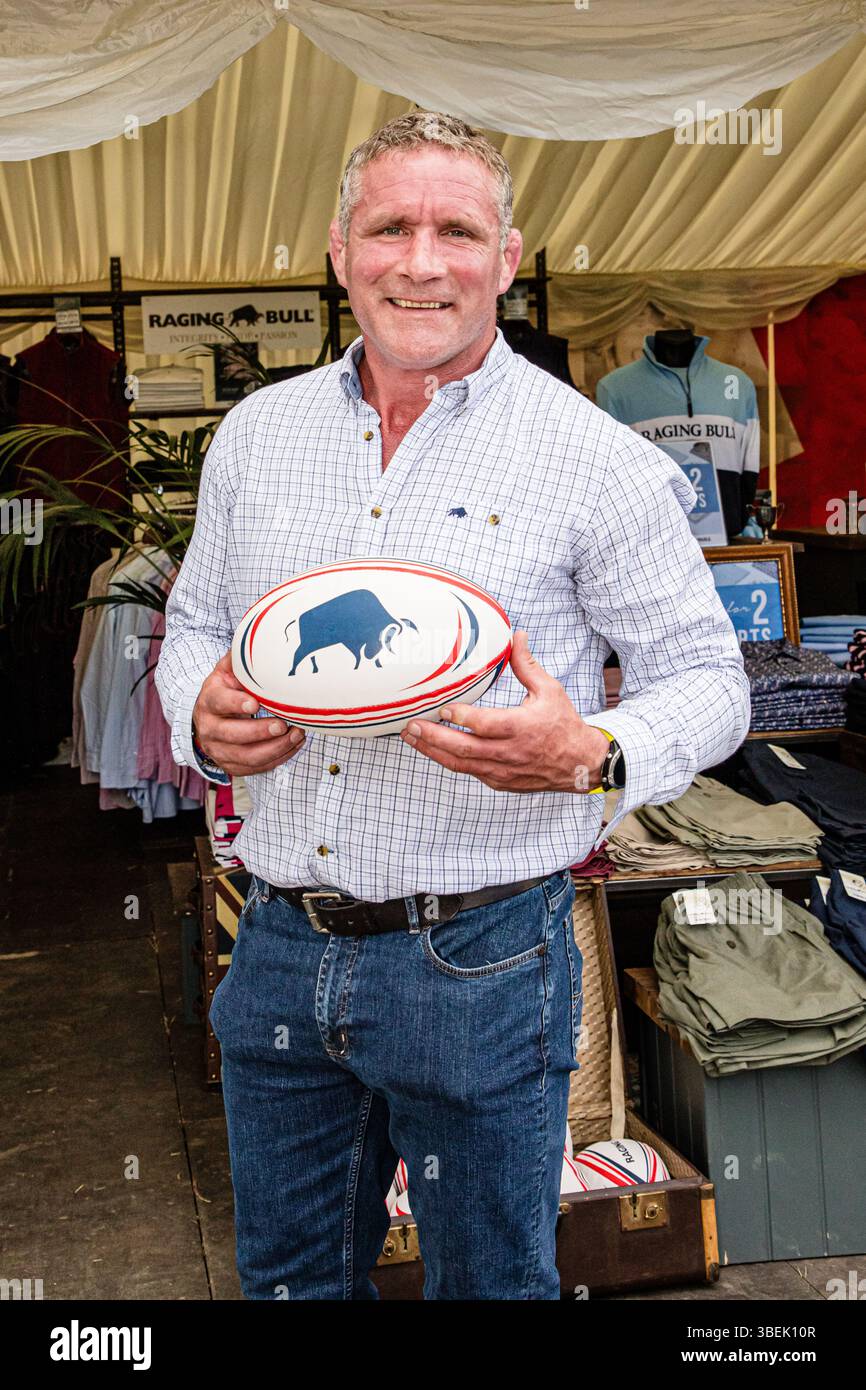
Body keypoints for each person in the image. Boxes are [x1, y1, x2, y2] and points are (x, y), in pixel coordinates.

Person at [155, 110, 750, 1301]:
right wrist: (194, 711)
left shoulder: (595, 459)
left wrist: (594, 750)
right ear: (339, 250)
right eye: (390, 227)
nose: (420, 261)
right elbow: (195, 630)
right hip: (274, 937)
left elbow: (710, 680)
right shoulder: (254, 438)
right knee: (283, 1278)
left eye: (455, 231)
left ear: (505, 257)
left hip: (478, 955)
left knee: (489, 1282)